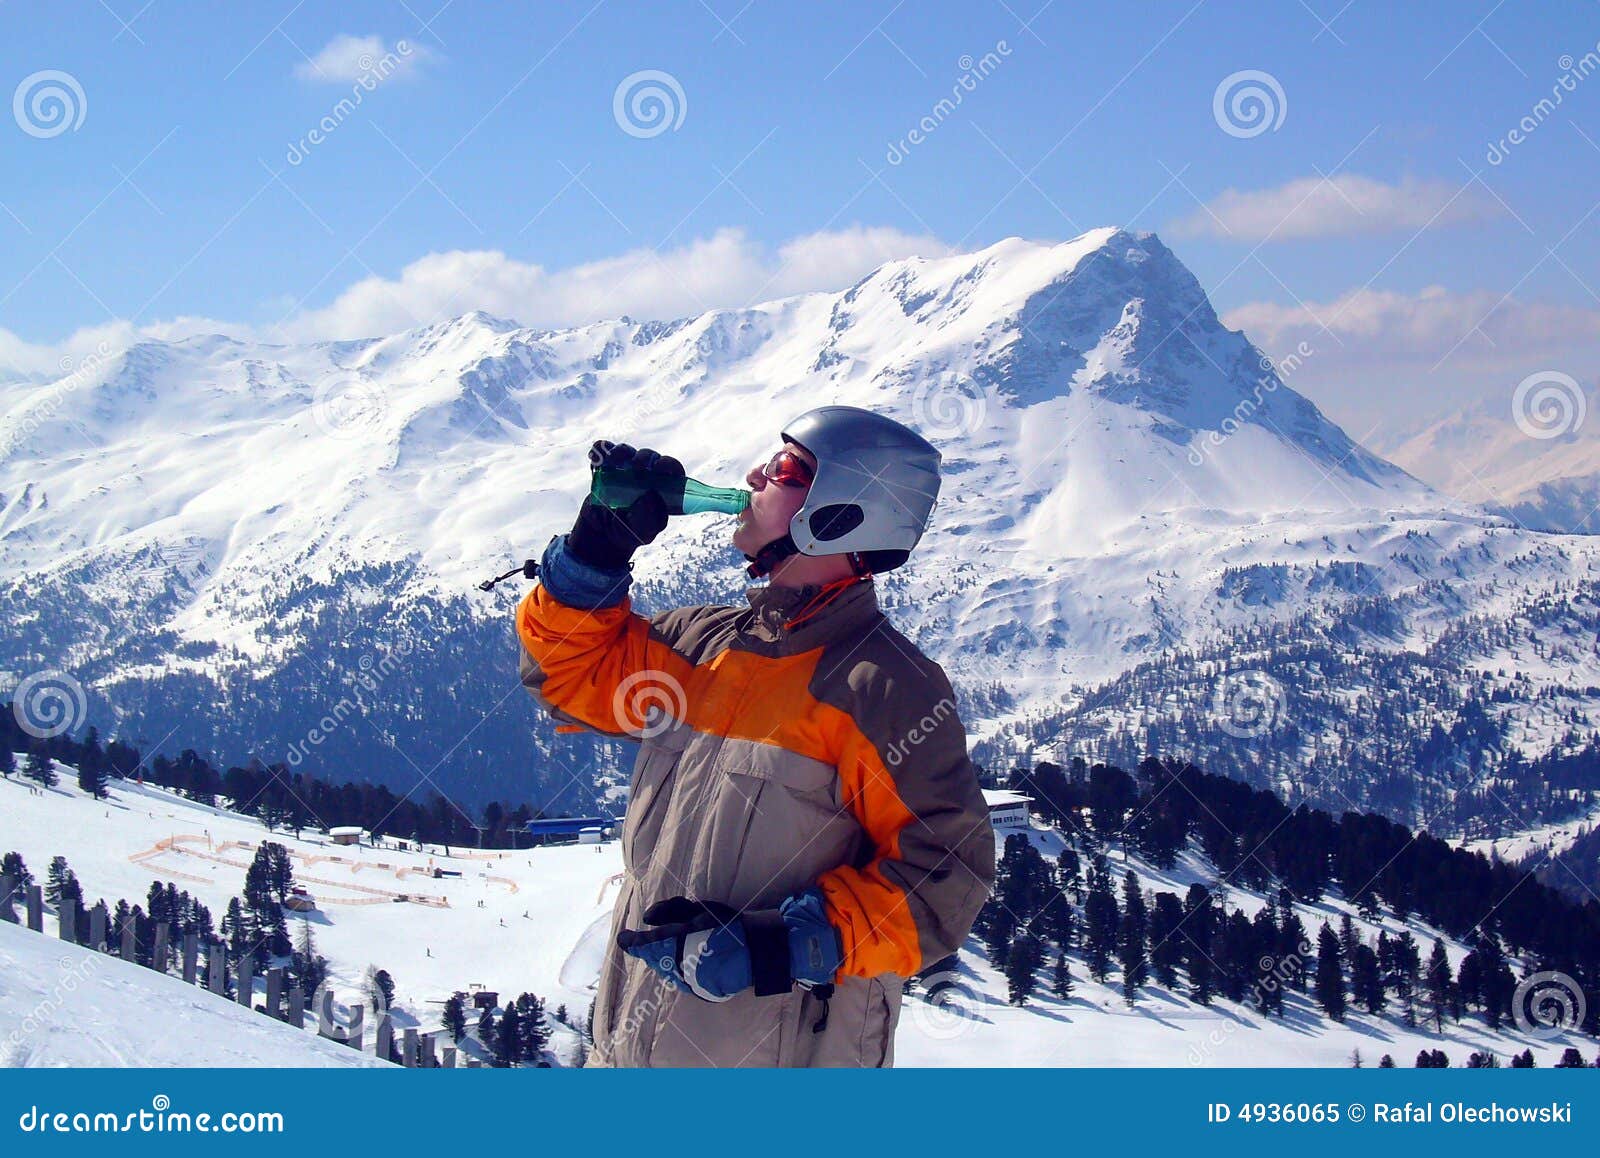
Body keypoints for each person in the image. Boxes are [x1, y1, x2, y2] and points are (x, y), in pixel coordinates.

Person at [515, 405, 995, 1067]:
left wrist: (782, 946)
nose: (753, 476)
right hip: (632, 1047)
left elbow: (947, 878)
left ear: (840, 511)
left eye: (786, 469)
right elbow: (566, 676)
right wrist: (596, 548)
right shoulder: (702, 645)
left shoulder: (884, 689)